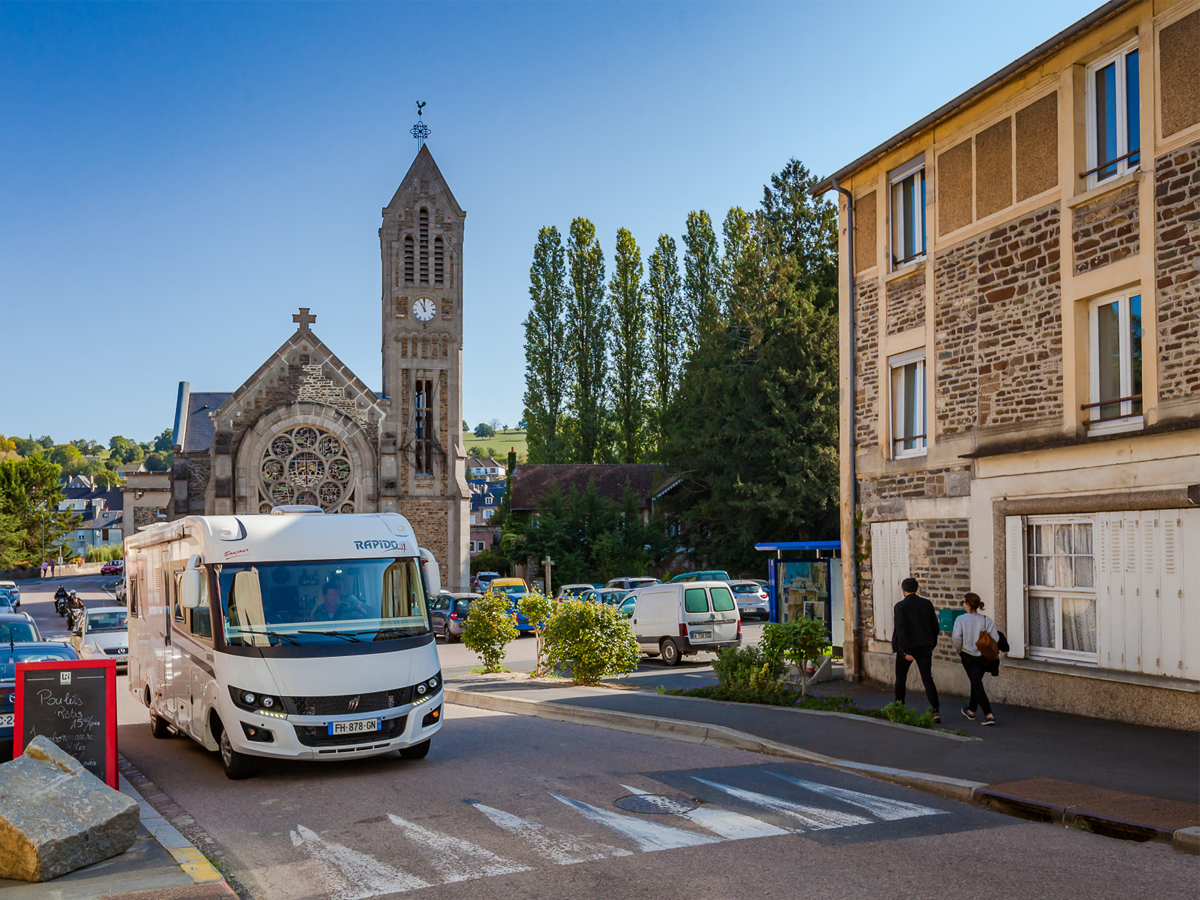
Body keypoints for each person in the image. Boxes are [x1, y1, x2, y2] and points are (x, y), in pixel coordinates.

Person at [892, 577, 941, 722]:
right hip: (925, 646)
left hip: (908, 647)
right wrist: (931, 644)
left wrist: (905, 651)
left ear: (903, 590)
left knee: (901, 678)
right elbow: (935, 627)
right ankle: (935, 710)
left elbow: (902, 630)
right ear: (917, 589)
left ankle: (899, 706)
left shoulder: (900, 606)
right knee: (927, 678)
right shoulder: (926, 604)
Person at [952, 591, 1000, 725]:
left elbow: (956, 637)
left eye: (963, 602)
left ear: (967, 604)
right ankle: (971, 711)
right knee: (976, 681)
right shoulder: (986, 620)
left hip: (968, 655)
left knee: (977, 684)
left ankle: (989, 714)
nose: (963, 604)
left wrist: (959, 649)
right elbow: (996, 638)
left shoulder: (961, 619)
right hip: (984, 656)